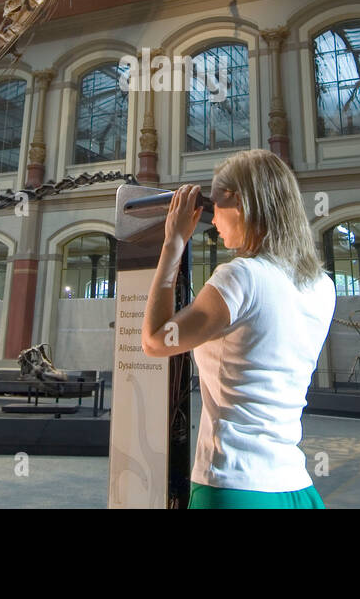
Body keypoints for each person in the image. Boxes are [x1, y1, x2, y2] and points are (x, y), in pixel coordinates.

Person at [141, 148, 335, 509]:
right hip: (297, 488)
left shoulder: (240, 276)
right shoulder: (322, 285)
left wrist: (173, 243)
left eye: (215, 205)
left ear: (241, 203)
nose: (212, 220)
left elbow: (155, 340)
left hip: (234, 485)